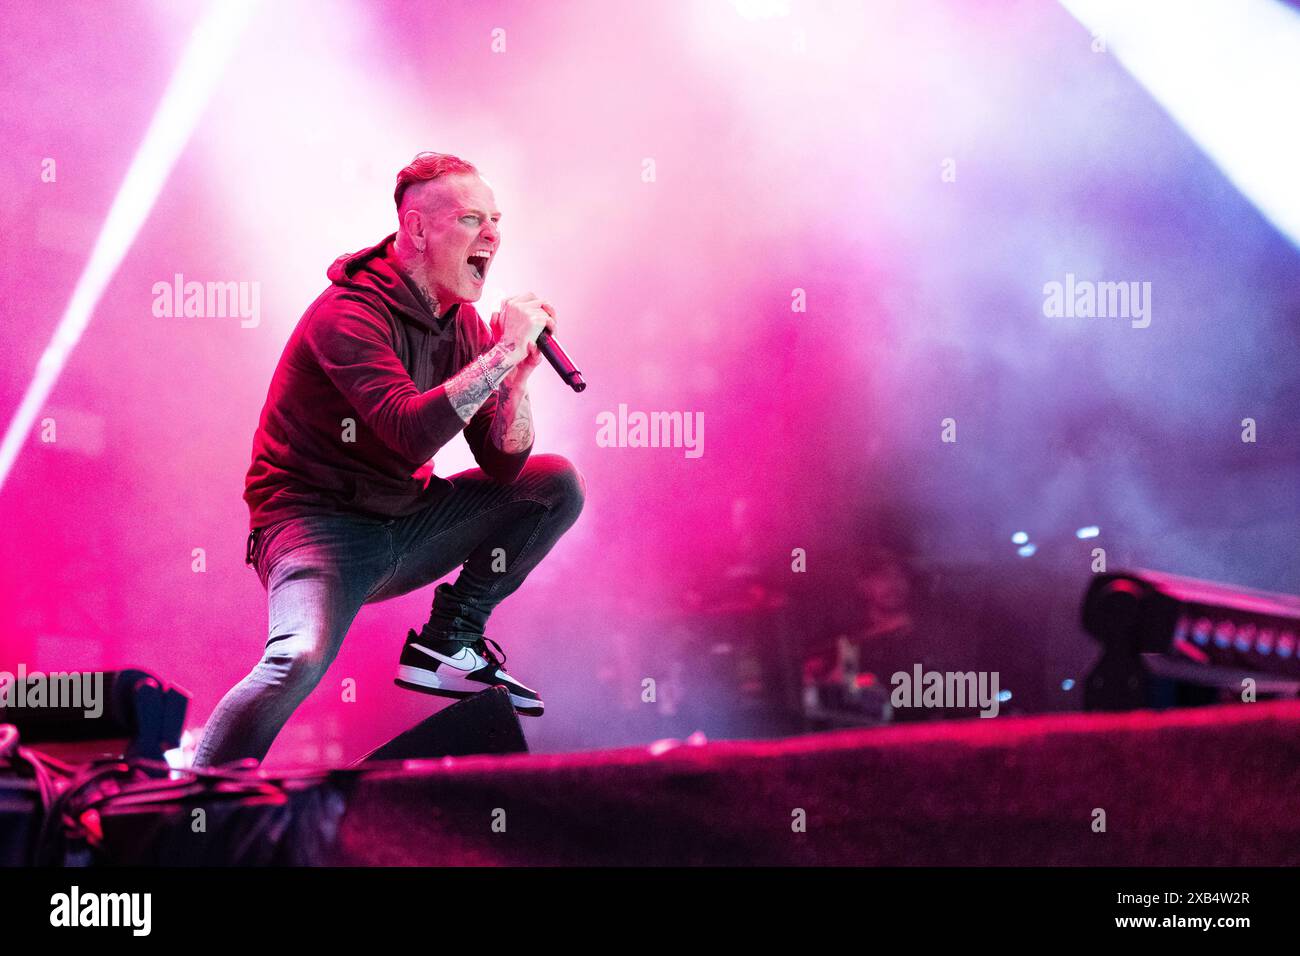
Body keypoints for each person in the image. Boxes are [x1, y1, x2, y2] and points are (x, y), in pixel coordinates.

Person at [194, 152, 585, 767]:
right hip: (312, 528)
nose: (492, 235)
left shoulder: (460, 324)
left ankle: (449, 641)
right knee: (296, 656)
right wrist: (502, 352)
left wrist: (516, 379)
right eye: (472, 219)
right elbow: (408, 431)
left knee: (553, 484)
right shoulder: (348, 314)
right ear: (418, 229)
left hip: (407, 522)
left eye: (496, 220)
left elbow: (504, 467)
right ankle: (195, 803)